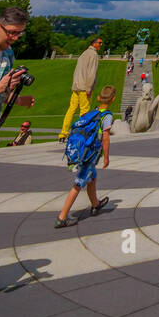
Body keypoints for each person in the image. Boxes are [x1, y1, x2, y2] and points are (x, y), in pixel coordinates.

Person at [55, 84, 116, 228]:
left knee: (92, 177)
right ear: (113, 100)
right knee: (79, 183)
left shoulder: (93, 112)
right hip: (89, 154)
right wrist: (106, 157)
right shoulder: (107, 116)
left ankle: (95, 204)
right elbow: (105, 138)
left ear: (98, 98)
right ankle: (62, 217)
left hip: (83, 150)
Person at [58, 37, 103, 142]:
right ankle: (81, 134)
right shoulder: (93, 54)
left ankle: (63, 134)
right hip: (84, 87)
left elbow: (77, 71)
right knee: (84, 111)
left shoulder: (84, 53)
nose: (101, 45)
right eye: (99, 43)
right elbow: (92, 73)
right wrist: (89, 87)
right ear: (94, 43)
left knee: (71, 110)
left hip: (76, 86)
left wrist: (75, 84)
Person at [0, 5, 28, 124]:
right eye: (12, 32)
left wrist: (17, 99)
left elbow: (1, 95)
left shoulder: (8, 53)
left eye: (19, 33)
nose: (15, 38)